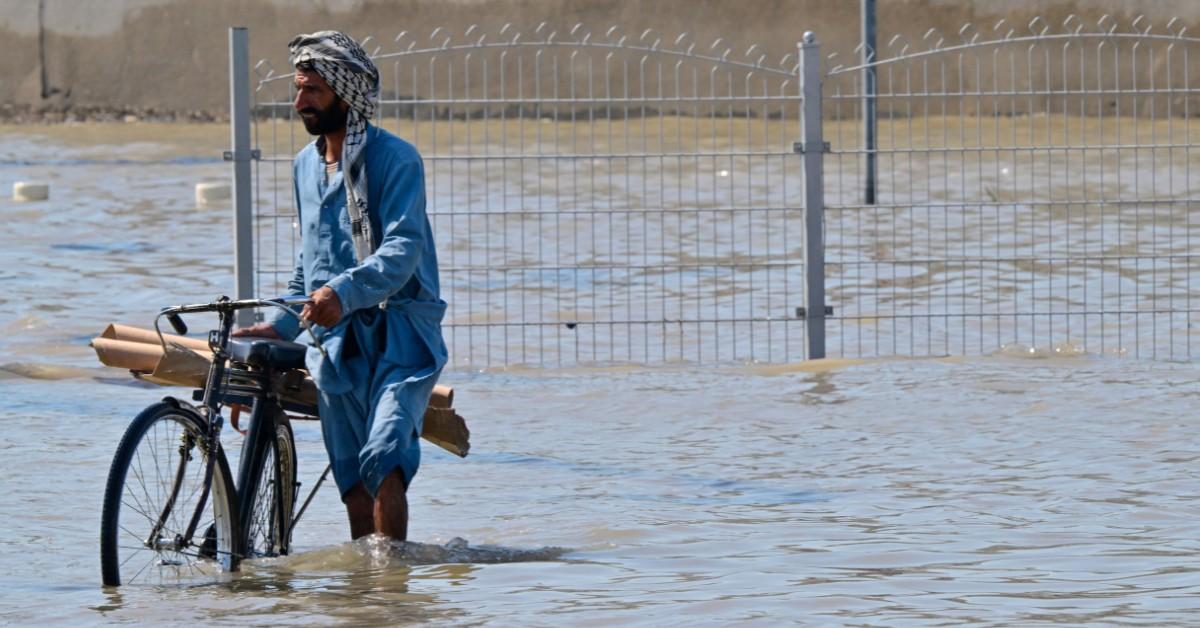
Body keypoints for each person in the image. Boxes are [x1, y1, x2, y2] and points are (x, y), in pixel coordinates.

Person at [234, 31, 447, 541]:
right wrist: (281, 324)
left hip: (401, 336)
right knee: (352, 480)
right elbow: (309, 266)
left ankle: (392, 588)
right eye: (298, 89)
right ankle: (365, 598)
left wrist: (342, 294)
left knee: (385, 457)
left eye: (313, 91)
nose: (300, 102)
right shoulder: (305, 167)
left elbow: (401, 251)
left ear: (346, 95)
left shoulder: (396, 160)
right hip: (334, 344)